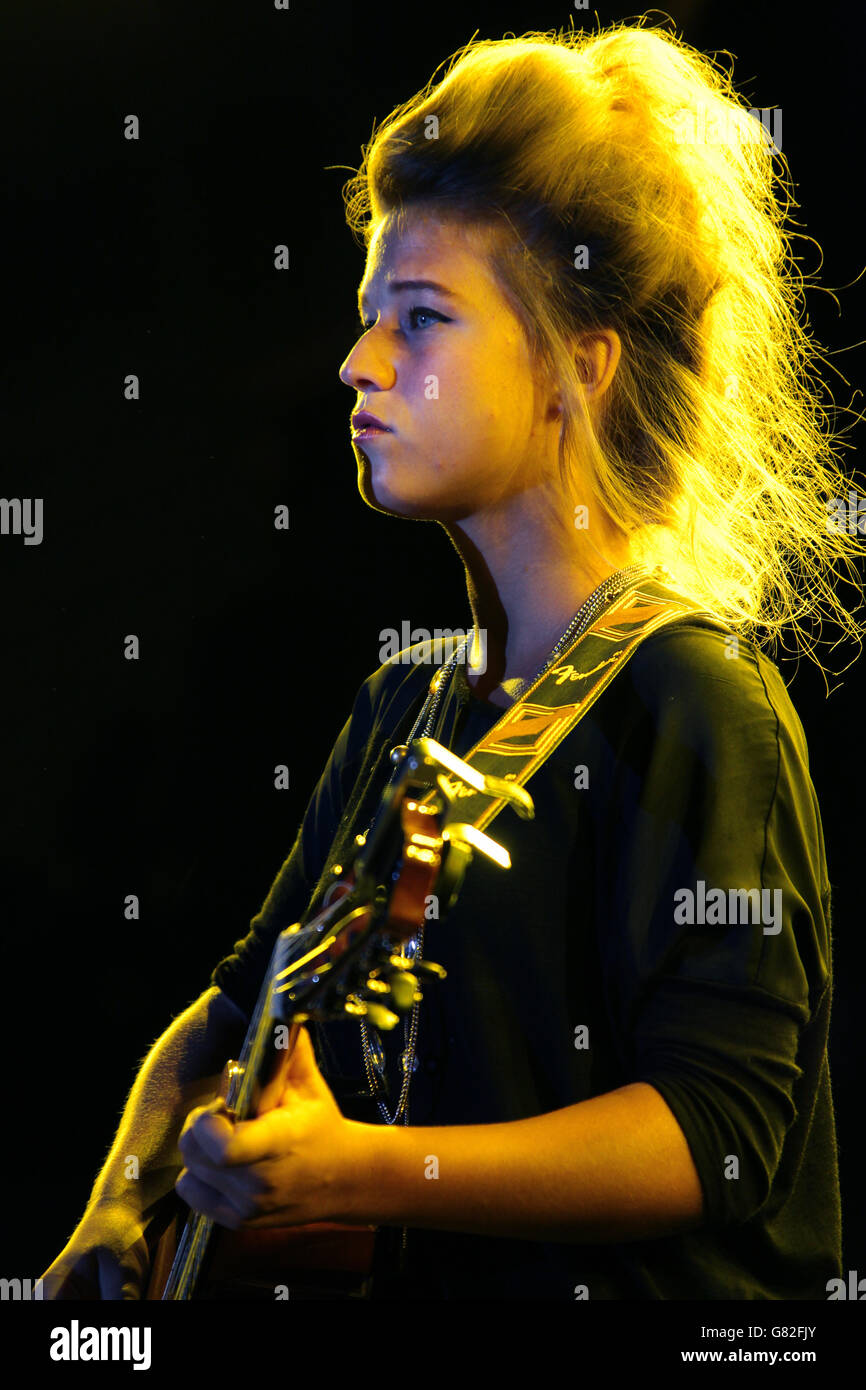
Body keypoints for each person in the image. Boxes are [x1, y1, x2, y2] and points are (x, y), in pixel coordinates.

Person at [42, 21, 862, 1301]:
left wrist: (358, 1173)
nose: (356, 363)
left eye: (418, 319)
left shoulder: (694, 701)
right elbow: (226, 1013)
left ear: (572, 373)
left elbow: (718, 1140)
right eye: (367, 318)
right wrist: (115, 1203)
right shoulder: (402, 702)